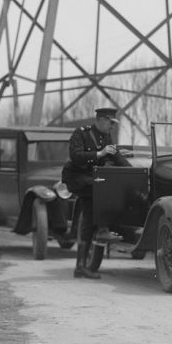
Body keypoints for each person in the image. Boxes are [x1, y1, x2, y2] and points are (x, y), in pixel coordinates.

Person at [62, 107, 130, 279]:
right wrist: (99, 153)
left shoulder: (106, 136)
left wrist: (135, 171)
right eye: (110, 123)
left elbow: (117, 158)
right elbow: (76, 156)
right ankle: (103, 229)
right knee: (102, 186)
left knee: (87, 223)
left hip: (91, 181)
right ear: (101, 120)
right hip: (76, 178)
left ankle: (80, 267)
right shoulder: (81, 133)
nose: (112, 127)